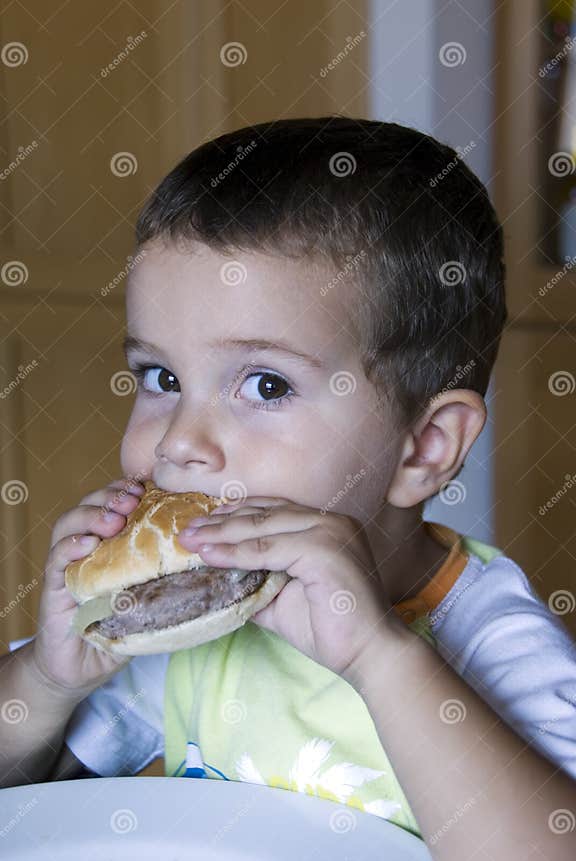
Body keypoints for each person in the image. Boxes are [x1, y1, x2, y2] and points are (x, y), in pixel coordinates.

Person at [2, 116, 576, 857]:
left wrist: (379, 657)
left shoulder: (497, 641)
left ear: (424, 448)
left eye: (265, 383)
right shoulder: (192, 621)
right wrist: (50, 678)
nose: (177, 440)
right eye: (161, 377)